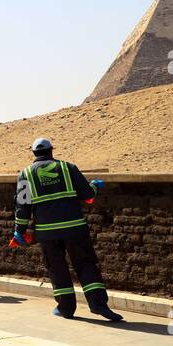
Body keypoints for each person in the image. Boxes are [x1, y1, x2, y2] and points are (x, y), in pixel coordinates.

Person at [12, 138, 122, 322]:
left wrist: (19, 230)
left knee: (57, 269)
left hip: (47, 233)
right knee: (86, 264)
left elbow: (23, 206)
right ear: (51, 150)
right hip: (75, 229)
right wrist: (95, 186)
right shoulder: (68, 168)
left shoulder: (25, 174)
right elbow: (87, 195)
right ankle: (98, 304)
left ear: (33, 153)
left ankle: (66, 308)